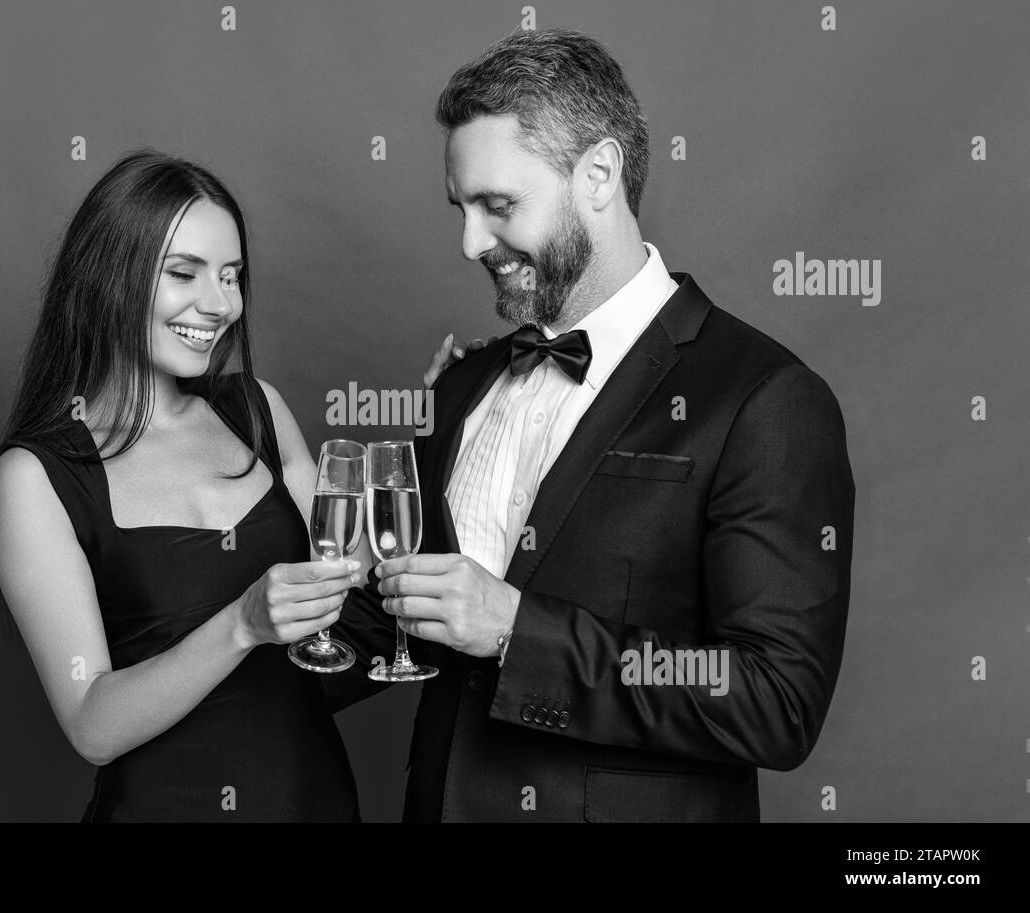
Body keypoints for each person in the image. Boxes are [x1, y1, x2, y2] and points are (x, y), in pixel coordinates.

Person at [328, 28, 856, 822]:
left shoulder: (765, 398)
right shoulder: (465, 382)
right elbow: (396, 618)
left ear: (599, 174)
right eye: (461, 209)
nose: (470, 243)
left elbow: (774, 698)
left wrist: (516, 631)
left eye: (498, 205)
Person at [0, 150, 371, 822]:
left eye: (231, 276)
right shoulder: (37, 475)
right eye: (184, 273)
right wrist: (243, 624)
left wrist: (455, 411)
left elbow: (360, 574)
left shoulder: (257, 409)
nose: (219, 304)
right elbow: (91, 724)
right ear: (110, 276)